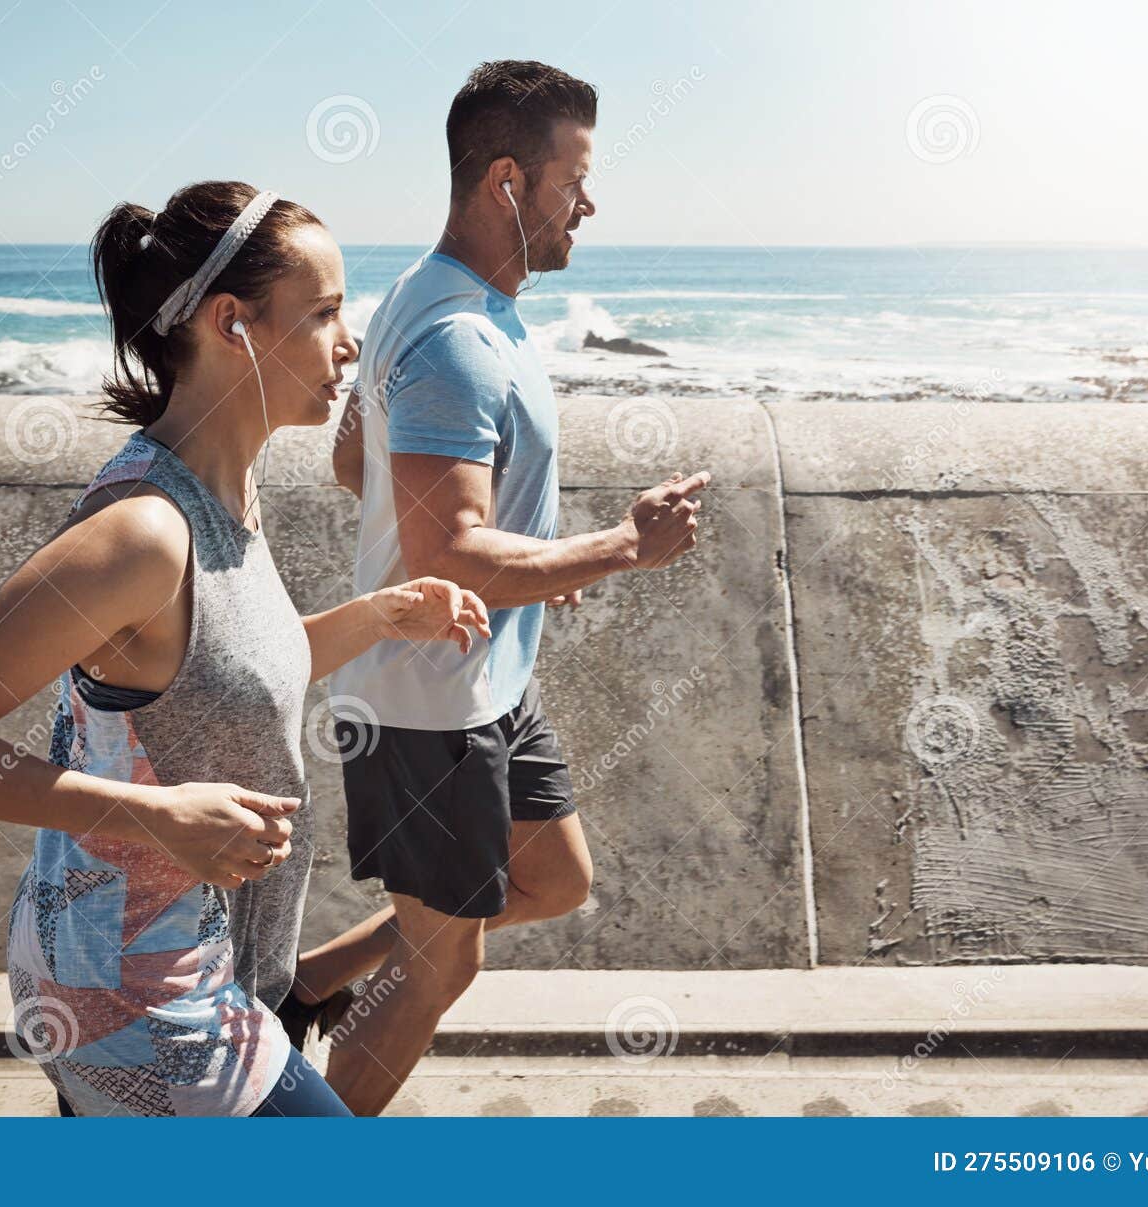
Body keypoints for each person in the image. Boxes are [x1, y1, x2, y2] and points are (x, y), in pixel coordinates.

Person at [0, 180, 490, 1118]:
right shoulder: (146, 528)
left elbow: (210, 677)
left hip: (163, 958)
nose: (350, 341)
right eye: (323, 312)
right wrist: (158, 817)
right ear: (234, 323)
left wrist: (382, 617)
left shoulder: (227, 492)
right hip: (138, 993)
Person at [292, 61, 709, 1116]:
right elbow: (450, 557)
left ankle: (305, 980)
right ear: (509, 184)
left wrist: (528, 564)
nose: (590, 205)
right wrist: (623, 545)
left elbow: (359, 467)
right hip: (425, 709)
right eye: (575, 181)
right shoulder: (454, 341)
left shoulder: (425, 300)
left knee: (554, 880)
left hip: (484, 685)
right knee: (443, 967)